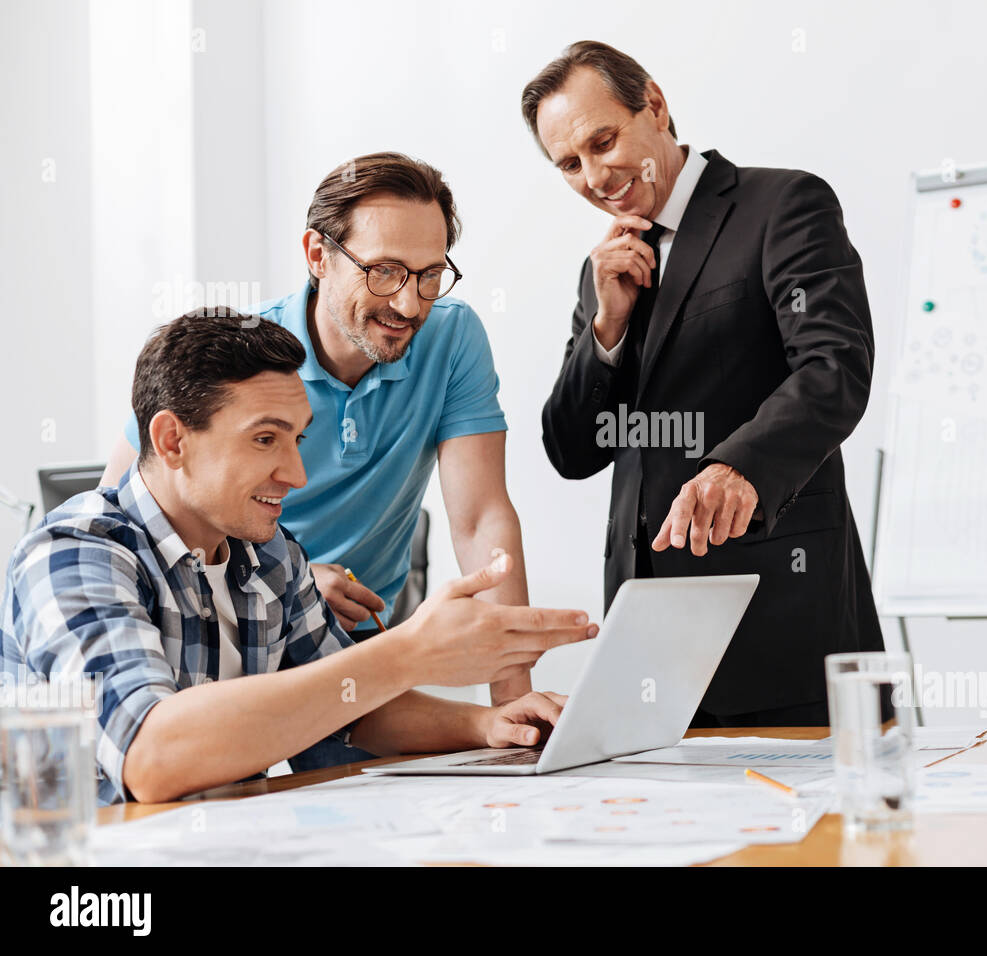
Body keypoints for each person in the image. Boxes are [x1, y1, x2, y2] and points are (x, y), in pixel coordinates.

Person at [3, 311, 595, 805]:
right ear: (171, 440)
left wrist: (491, 724)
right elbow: (152, 757)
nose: (297, 474)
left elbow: (348, 710)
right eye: (266, 439)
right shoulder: (72, 555)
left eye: (298, 438)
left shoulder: (271, 554)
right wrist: (410, 651)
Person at [524, 41, 886, 728]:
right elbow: (572, 452)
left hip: (782, 621)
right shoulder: (602, 269)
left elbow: (834, 365)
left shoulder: (782, 204)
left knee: (818, 834)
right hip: (650, 650)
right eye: (569, 163)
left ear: (654, 106)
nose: (596, 175)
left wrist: (738, 465)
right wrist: (606, 328)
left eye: (604, 141)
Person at [101, 153, 533, 714]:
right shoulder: (245, 355)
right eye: (384, 271)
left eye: (429, 276)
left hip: (354, 640)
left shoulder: (453, 339)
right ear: (317, 256)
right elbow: (128, 512)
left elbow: (480, 519)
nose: (409, 303)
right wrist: (290, 584)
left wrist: (512, 704)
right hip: (224, 632)